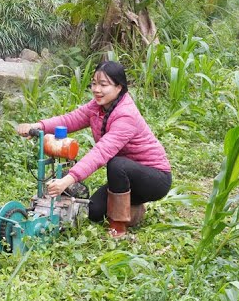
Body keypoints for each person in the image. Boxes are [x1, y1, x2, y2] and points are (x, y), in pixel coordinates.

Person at [15, 60, 171, 237]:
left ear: (119, 87)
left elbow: (101, 152)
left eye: (103, 84)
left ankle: (118, 228)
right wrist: (38, 126)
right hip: (125, 177)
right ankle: (134, 211)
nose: (97, 89)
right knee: (94, 212)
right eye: (94, 83)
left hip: (154, 179)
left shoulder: (126, 115)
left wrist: (68, 180)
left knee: (117, 164)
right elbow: (70, 119)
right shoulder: (98, 106)